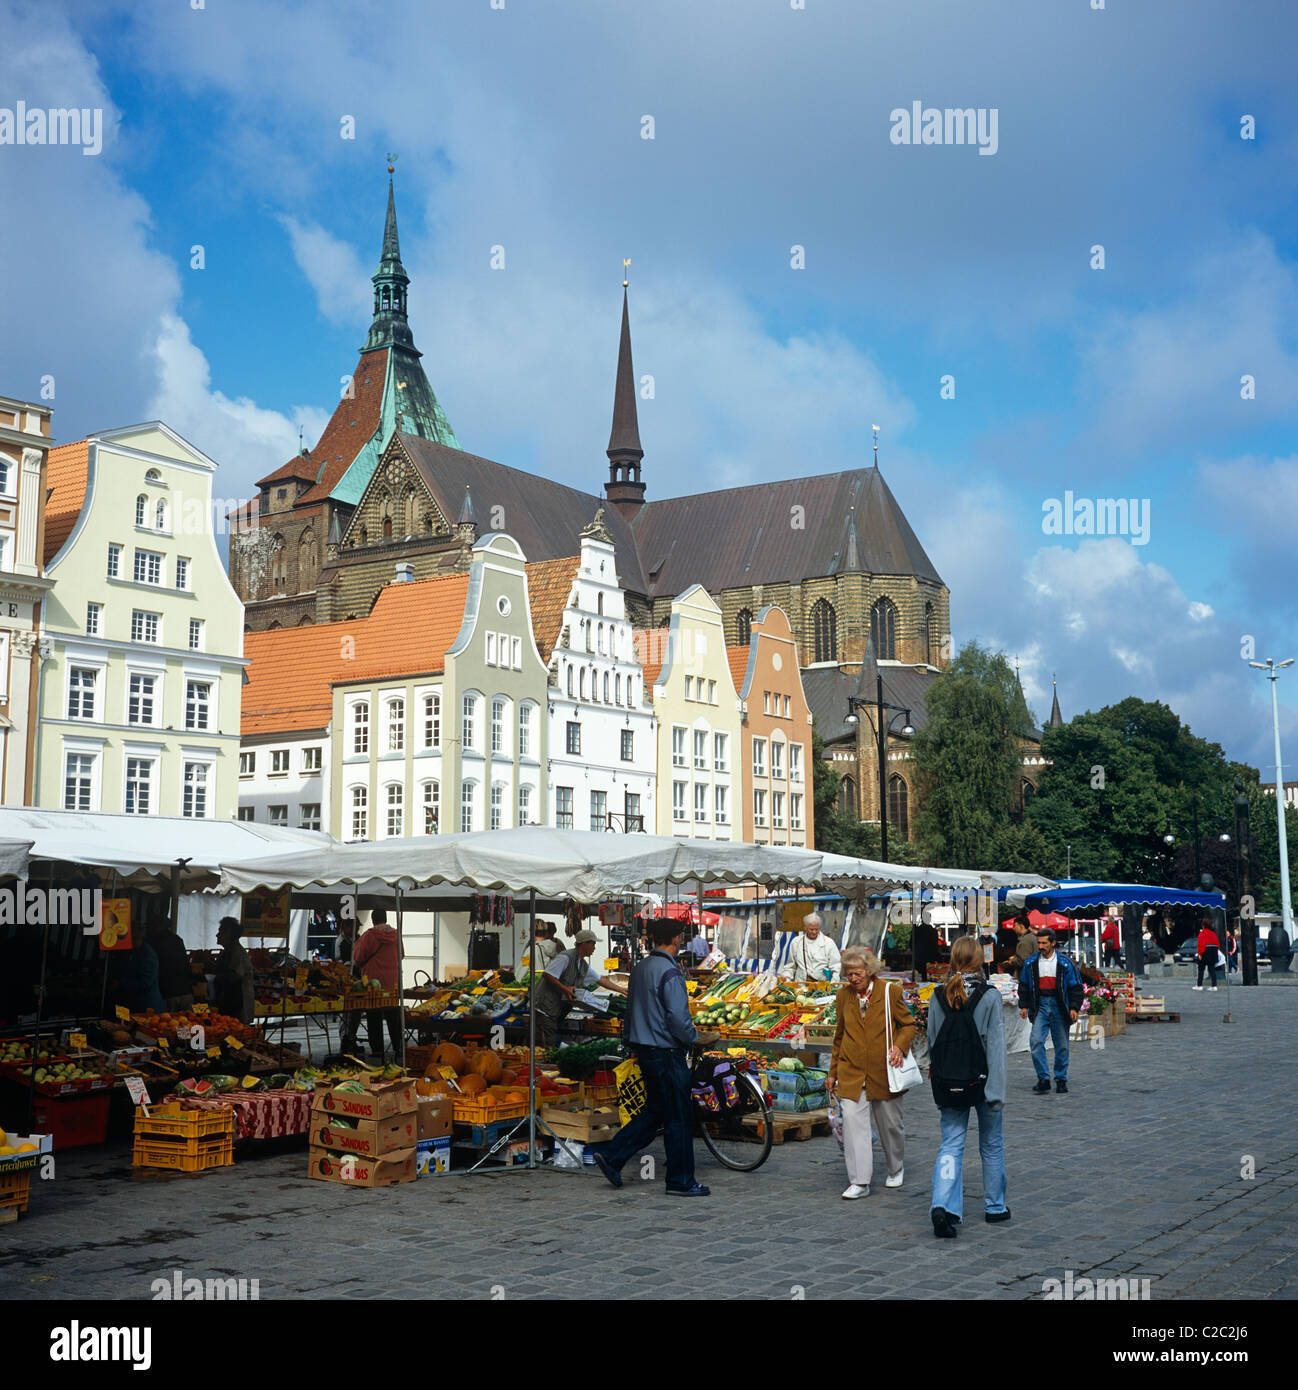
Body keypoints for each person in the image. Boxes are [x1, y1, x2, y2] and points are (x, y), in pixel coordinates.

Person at [589, 921, 709, 1196]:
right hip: (666, 1052)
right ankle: (680, 1181)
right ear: (677, 939)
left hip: (645, 1050)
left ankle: (614, 1156)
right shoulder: (670, 971)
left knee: (655, 1111)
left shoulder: (641, 968)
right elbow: (678, 1018)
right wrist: (692, 1036)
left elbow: (631, 1010)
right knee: (678, 1116)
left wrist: (632, 1042)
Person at [928, 935, 1009, 1237]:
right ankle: (995, 1206)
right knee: (991, 1144)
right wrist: (996, 1093)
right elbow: (997, 1048)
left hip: (949, 1082)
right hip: (984, 1080)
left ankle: (943, 1204)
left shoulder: (937, 995)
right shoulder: (990, 996)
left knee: (951, 1144)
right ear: (980, 961)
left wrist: (937, 1082)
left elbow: (933, 1041)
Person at [827, 946, 916, 1198]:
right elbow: (840, 1035)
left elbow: (908, 1025)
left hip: (884, 1070)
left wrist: (899, 1046)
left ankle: (895, 1167)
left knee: (890, 1125)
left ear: (869, 971)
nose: (853, 979)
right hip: (851, 1070)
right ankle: (859, 1181)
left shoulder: (890, 991)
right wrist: (832, 1072)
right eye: (849, 974)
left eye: (857, 974)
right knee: (854, 1127)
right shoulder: (844, 996)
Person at [533, 928, 627, 1047]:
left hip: (555, 1011)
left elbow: (600, 980)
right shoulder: (565, 957)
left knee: (551, 1043)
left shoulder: (582, 964)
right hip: (544, 1009)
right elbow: (547, 974)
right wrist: (565, 989)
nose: (594, 948)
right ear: (584, 944)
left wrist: (620, 990)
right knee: (547, 1044)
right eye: (593, 944)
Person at [1017, 928, 1084, 1094]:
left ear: (1053, 943)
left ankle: (1061, 1079)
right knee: (1036, 1041)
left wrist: (1074, 1007)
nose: (1040, 946)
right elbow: (1024, 985)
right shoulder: (1031, 963)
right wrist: (1024, 1005)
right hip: (1040, 1005)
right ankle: (1043, 1078)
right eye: (1039, 943)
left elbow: (1075, 987)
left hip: (1059, 1005)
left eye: (1044, 943)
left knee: (1061, 1045)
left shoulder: (1065, 963)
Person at [354, 908, 402, 1057]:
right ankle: (398, 1047)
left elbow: (358, 957)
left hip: (373, 984)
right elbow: (402, 955)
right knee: (393, 1016)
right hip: (392, 983)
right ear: (385, 918)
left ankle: (377, 1050)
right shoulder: (396, 935)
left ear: (373, 920)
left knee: (374, 1016)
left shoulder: (369, 935)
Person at [214, 917, 255, 1025]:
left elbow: (234, 976)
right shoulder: (230, 951)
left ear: (228, 934)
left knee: (234, 1033)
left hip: (236, 1005)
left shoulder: (236, 952)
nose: (217, 935)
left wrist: (214, 976)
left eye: (220, 932)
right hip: (231, 1003)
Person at [779, 912, 841, 982]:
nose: (814, 932)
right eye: (811, 929)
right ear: (805, 928)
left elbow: (836, 967)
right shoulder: (796, 942)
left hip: (822, 985)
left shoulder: (829, 943)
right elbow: (790, 966)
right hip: (801, 984)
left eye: (816, 929)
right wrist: (787, 977)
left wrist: (833, 985)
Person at [150, 919, 194, 1012]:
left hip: (168, 992)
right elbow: (186, 965)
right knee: (187, 1022)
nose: (150, 928)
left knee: (169, 1022)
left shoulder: (154, 942)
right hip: (185, 990)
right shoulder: (177, 940)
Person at [119, 934, 165, 1015]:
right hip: (136, 1003)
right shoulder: (136, 951)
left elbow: (145, 982)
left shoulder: (148, 955)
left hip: (146, 1005)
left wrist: (121, 983)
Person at [1193, 918, 1222, 992]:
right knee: (1212, 969)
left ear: (1203, 925)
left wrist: (1200, 953)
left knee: (1201, 969)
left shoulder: (1202, 933)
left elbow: (1201, 944)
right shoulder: (1213, 934)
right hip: (1213, 952)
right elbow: (1217, 944)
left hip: (1205, 952)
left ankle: (1199, 985)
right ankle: (1214, 986)